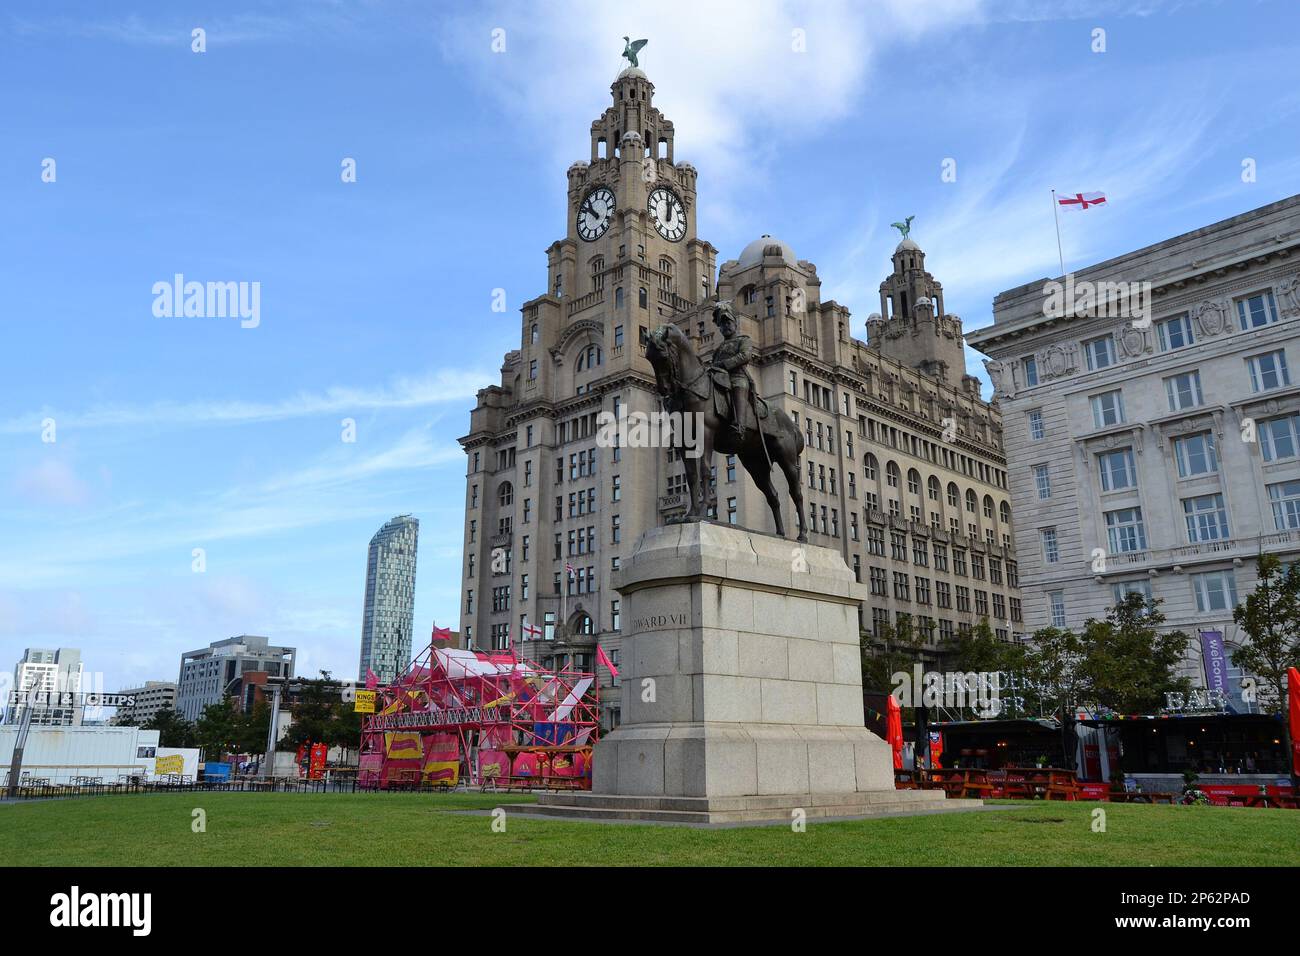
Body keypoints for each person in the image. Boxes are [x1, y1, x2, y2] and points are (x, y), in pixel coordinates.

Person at [709, 301, 757, 439]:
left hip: (738, 376)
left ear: (735, 324)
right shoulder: (718, 349)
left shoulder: (743, 340)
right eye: (722, 324)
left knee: (738, 386)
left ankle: (739, 425)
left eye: (728, 323)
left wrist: (724, 364)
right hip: (719, 378)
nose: (725, 326)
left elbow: (745, 356)